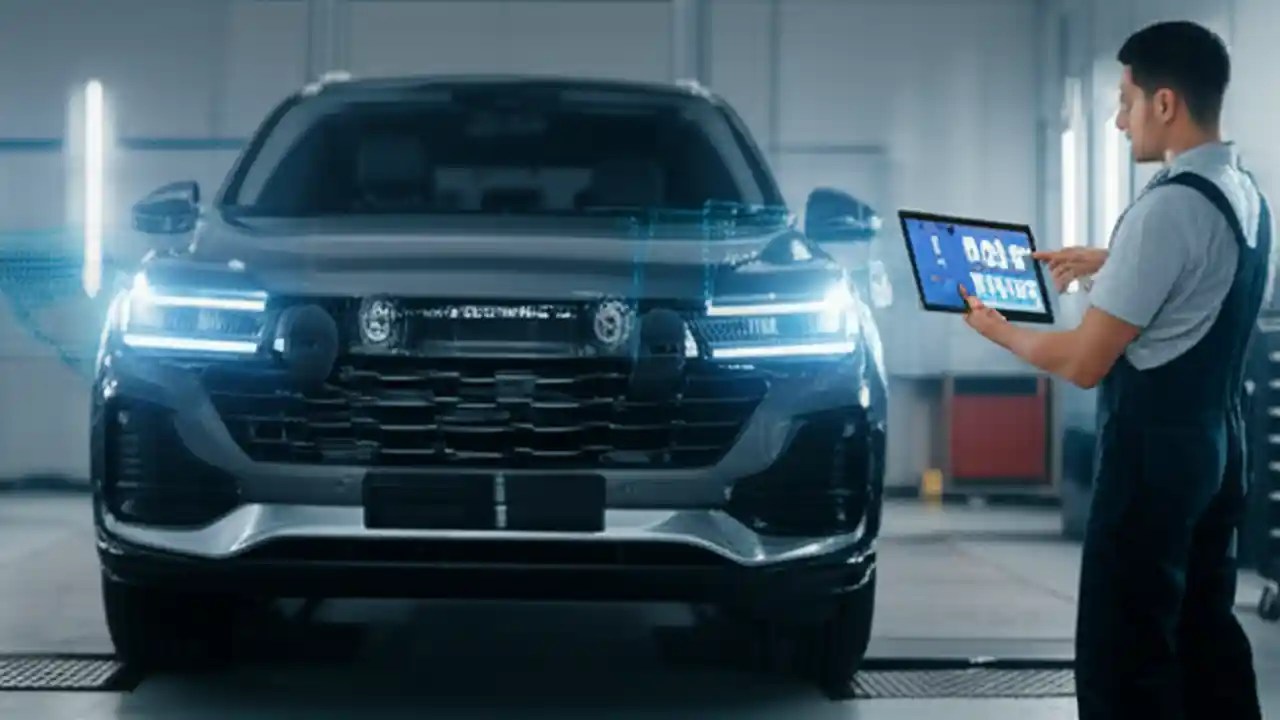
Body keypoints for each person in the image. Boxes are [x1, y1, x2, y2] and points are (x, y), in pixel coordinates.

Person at [959, 20, 1273, 720]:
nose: (1116, 118)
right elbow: (1206, 282)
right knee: (1204, 639)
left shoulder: (1165, 210)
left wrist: (998, 330)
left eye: (1125, 100)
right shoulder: (1245, 197)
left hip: (1151, 460)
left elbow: (1082, 362)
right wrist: (1112, 263)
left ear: (1165, 103)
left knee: (1124, 654)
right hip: (1217, 454)